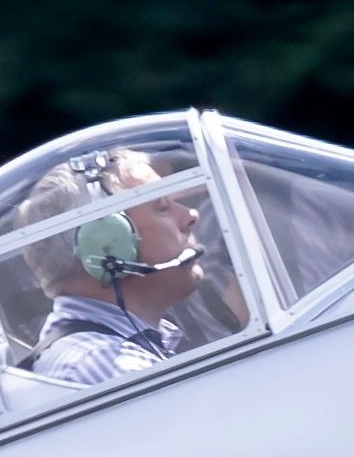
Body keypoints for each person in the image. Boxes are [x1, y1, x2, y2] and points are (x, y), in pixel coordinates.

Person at [12, 148, 240, 387]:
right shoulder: (106, 366)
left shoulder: (114, 352)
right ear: (107, 246)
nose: (191, 215)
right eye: (162, 206)